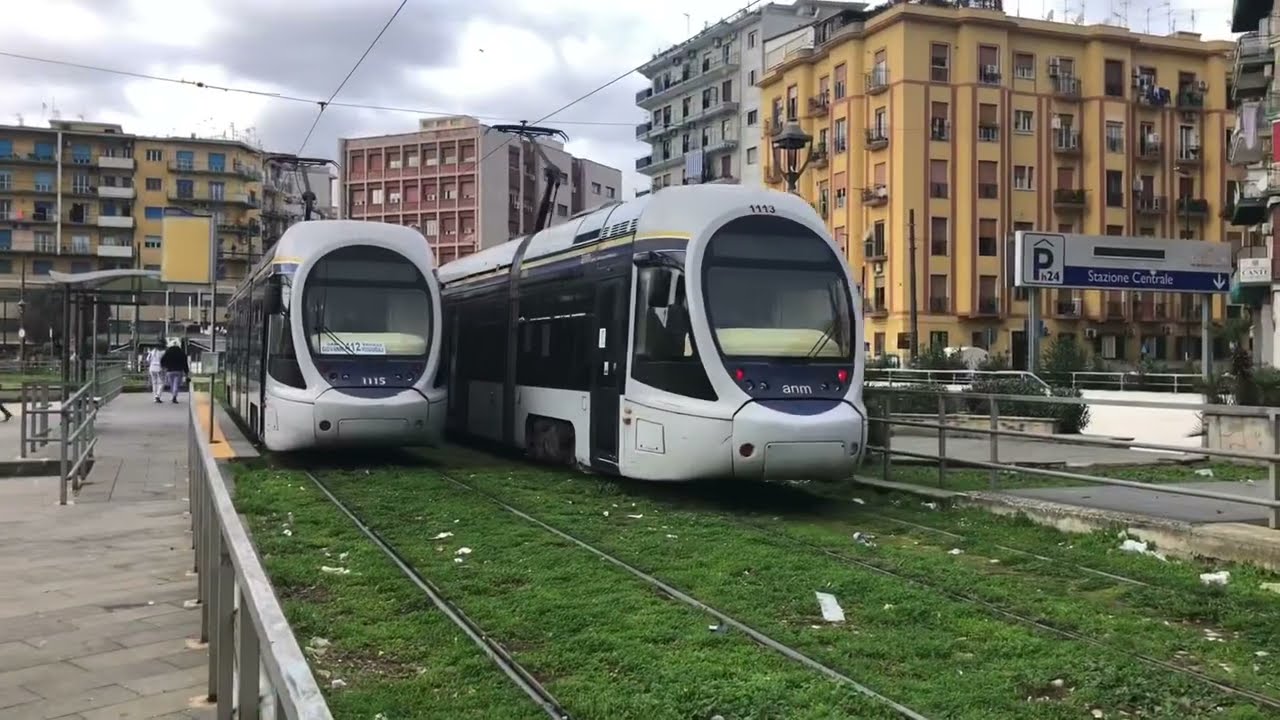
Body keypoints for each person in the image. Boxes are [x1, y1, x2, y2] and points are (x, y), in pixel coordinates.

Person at [159, 340, 190, 404]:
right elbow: (185, 364)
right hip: (179, 371)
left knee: (171, 384)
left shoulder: (167, 352)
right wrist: (186, 373)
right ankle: (174, 396)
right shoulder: (182, 353)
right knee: (176, 384)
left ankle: (173, 395)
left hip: (170, 371)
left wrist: (164, 367)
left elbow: (162, 360)